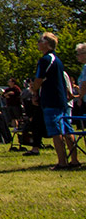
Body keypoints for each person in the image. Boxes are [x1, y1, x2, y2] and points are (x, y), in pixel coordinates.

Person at [31, 32, 80, 170]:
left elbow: (38, 80)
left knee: (56, 131)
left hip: (51, 100)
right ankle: (74, 160)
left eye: (40, 40)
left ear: (47, 44)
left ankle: (62, 162)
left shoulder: (45, 60)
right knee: (67, 129)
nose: (38, 43)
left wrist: (34, 90)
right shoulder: (57, 60)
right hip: (61, 100)